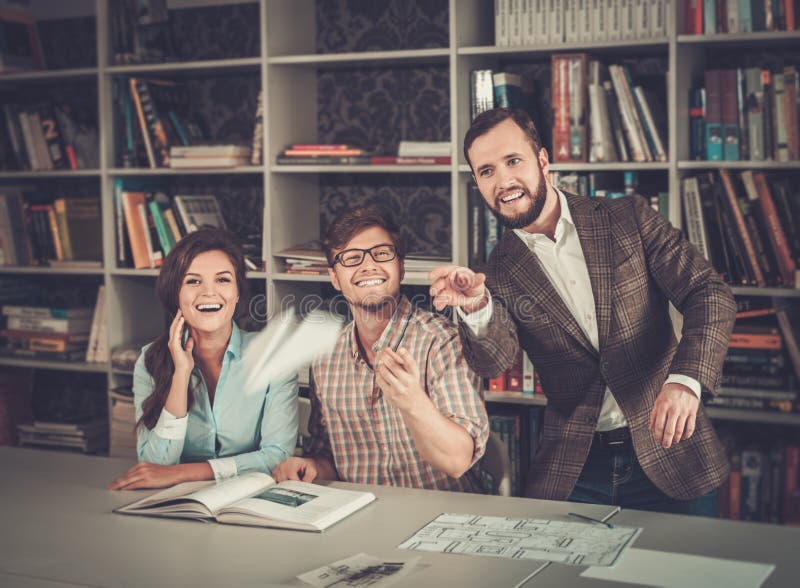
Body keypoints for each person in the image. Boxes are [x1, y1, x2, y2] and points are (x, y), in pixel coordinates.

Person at [429, 108, 736, 515]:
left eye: (513, 161)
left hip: (672, 451)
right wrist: (475, 307)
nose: (503, 182)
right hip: (574, 469)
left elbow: (708, 291)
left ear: (542, 161)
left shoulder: (628, 218)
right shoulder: (496, 269)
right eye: (486, 172)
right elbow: (494, 360)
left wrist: (686, 379)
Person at [272, 206, 489, 492]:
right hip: (363, 517)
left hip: (443, 515)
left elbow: (458, 460)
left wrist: (412, 401)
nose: (368, 266)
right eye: (351, 258)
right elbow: (329, 456)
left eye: (382, 253)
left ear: (401, 267)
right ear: (335, 278)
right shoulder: (325, 359)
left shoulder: (442, 342)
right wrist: (312, 466)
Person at [109, 228, 298, 490]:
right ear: (176, 293)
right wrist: (181, 374)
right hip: (175, 504)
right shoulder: (150, 360)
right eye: (193, 281)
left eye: (222, 280)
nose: (209, 293)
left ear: (238, 292)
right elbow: (154, 464)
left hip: (251, 497)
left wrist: (184, 473)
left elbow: (278, 456)